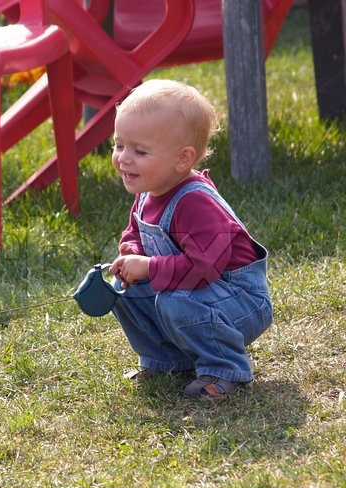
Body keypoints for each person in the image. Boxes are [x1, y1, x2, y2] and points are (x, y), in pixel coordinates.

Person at [109, 79, 273, 399]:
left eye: (140, 151)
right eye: (119, 145)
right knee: (123, 292)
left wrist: (149, 266)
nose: (124, 158)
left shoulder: (196, 203)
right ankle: (167, 361)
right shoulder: (148, 192)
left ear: (183, 159)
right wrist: (131, 250)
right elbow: (136, 232)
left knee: (175, 300)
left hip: (238, 301)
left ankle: (225, 368)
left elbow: (203, 268)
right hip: (200, 295)